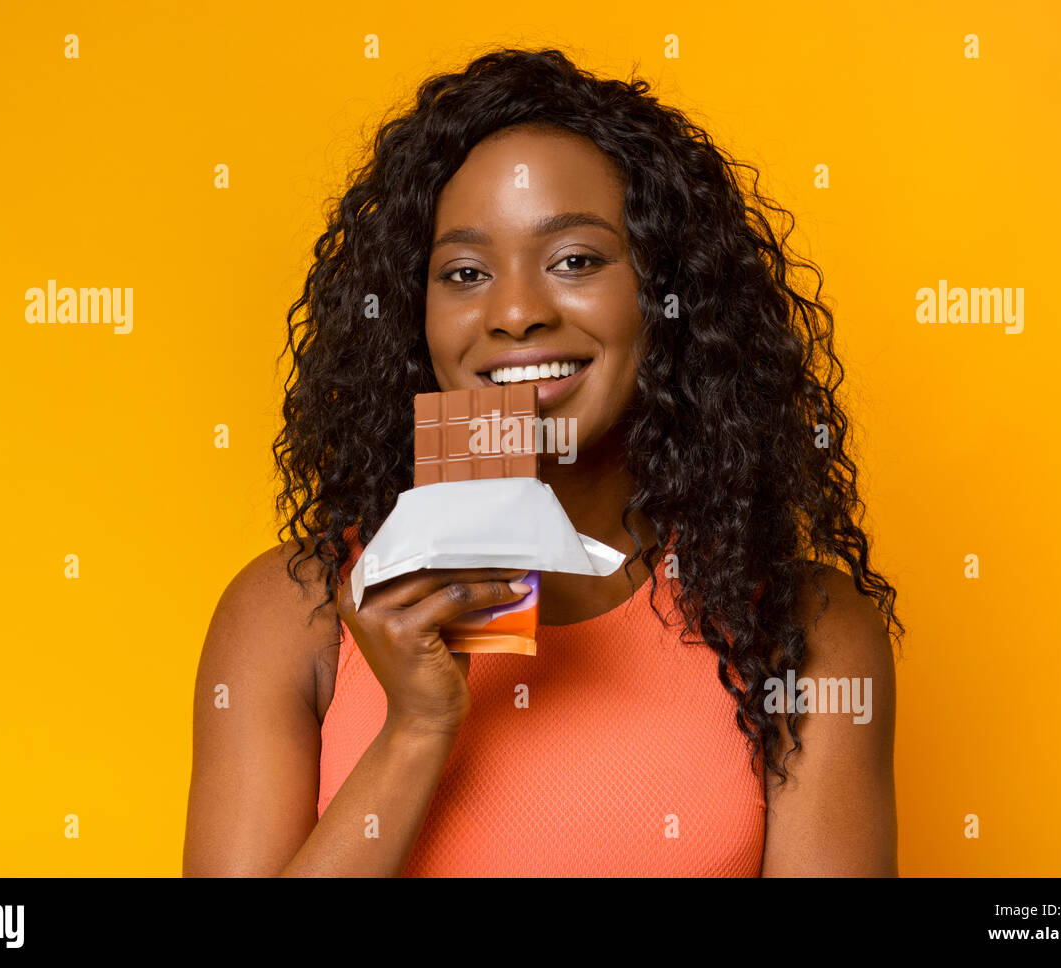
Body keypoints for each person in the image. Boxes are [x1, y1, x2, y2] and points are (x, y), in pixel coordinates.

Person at [183, 47, 904, 877]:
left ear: (669, 297)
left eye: (575, 261)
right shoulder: (288, 618)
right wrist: (416, 729)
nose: (517, 312)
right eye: (464, 273)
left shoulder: (804, 633)